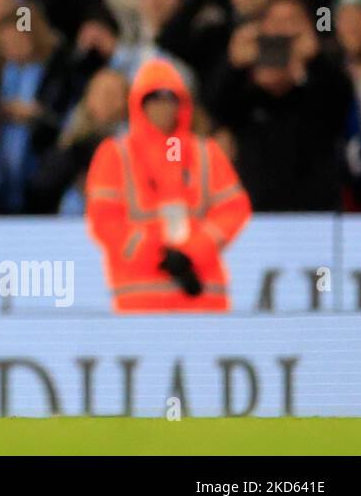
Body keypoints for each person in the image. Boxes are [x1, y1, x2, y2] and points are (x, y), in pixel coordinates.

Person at [85, 58, 251, 311]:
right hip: (140, 298)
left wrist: (192, 252)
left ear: (181, 103)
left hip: (199, 295)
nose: (163, 107)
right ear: (140, 103)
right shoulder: (116, 154)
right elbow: (105, 219)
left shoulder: (205, 153)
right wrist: (157, 255)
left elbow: (233, 209)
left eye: (170, 98)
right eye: (154, 99)